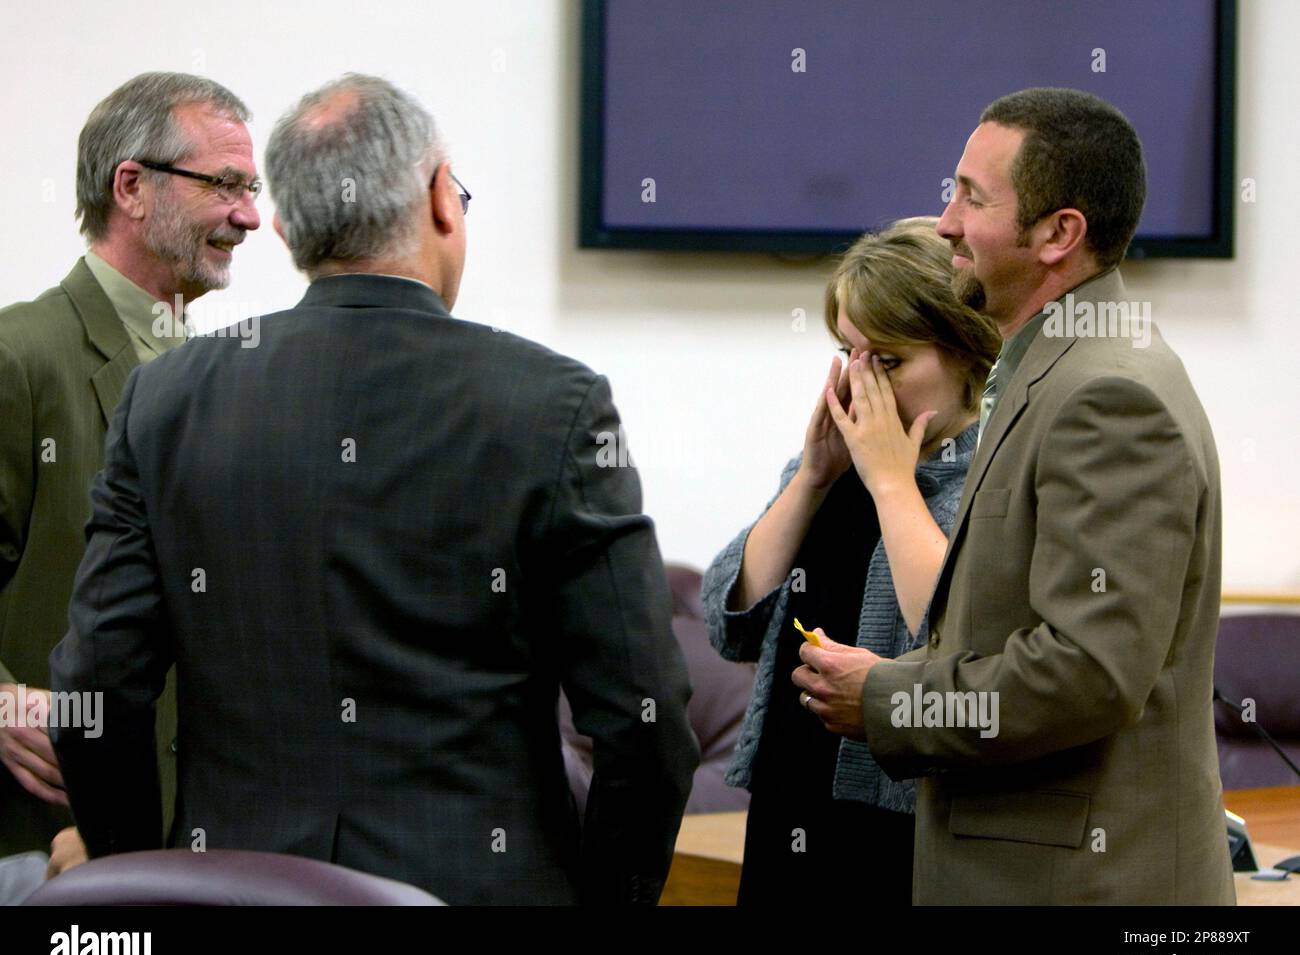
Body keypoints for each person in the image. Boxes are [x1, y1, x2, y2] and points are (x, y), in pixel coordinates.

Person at [49, 73, 698, 906]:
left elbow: (95, 686)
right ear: (439, 199)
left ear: (283, 228)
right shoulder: (553, 405)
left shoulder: (167, 399)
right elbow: (645, 716)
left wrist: (141, 875)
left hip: (231, 891)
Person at [793, 88, 1235, 905]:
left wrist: (886, 697)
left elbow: (1086, 672)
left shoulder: (1107, 393)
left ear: (1059, 234)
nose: (947, 223)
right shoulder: (1050, 367)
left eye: (971, 196)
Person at [0, 72, 259, 896]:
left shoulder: (227, 380)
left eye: (252, 189)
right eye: (224, 185)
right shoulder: (21, 356)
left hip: (191, 841)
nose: (249, 216)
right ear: (132, 187)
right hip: (37, 841)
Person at [702, 217, 999, 904]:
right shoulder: (830, 472)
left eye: (889, 361)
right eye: (848, 352)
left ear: (966, 354)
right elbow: (731, 623)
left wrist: (895, 482)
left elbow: (957, 640)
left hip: (898, 834)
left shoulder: (990, 480)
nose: (860, 383)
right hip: (788, 804)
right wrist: (810, 478)